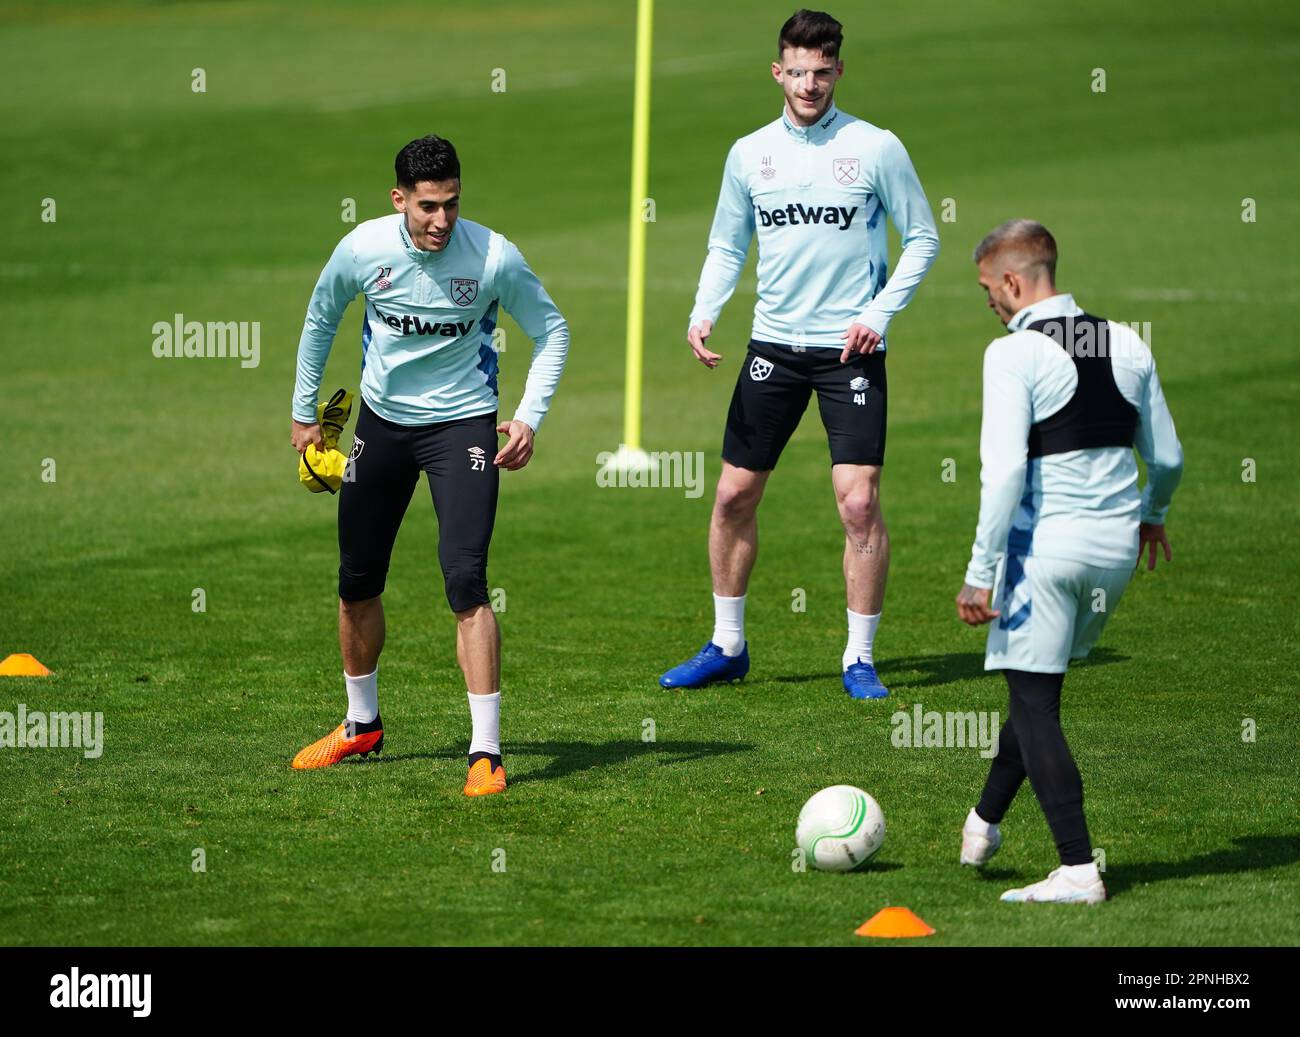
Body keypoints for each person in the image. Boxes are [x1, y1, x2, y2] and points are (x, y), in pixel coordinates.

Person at [659, 8, 939, 698]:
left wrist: (878, 314)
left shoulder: (876, 148)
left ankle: (859, 657)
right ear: (777, 71)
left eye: (822, 72)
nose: (809, 84)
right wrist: (703, 310)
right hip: (772, 350)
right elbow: (728, 243)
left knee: (858, 503)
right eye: (797, 71)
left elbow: (924, 238)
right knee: (731, 496)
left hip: (850, 352)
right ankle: (728, 644)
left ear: (840, 70)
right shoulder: (749, 154)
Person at [288, 135, 569, 796]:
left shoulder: (493, 256)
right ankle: (361, 722)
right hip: (381, 427)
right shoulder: (363, 249)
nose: (442, 220)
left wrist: (529, 415)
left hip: (462, 426)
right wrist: (305, 414)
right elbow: (321, 315)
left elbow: (551, 328)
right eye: (428, 207)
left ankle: (487, 752)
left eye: (451, 204)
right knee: (356, 578)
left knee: (466, 580)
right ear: (399, 200)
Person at [955, 219, 1183, 903]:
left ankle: (1079, 868)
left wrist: (979, 570)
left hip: (1046, 549)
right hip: (1114, 553)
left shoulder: (1014, 354)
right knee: (1036, 693)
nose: (989, 303)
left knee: (1032, 700)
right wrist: (1154, 515)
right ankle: (984, 823)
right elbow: (1167, 456)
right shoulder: (1126, 340)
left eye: (988, 290)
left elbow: (1002, 473)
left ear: (1014, 282)